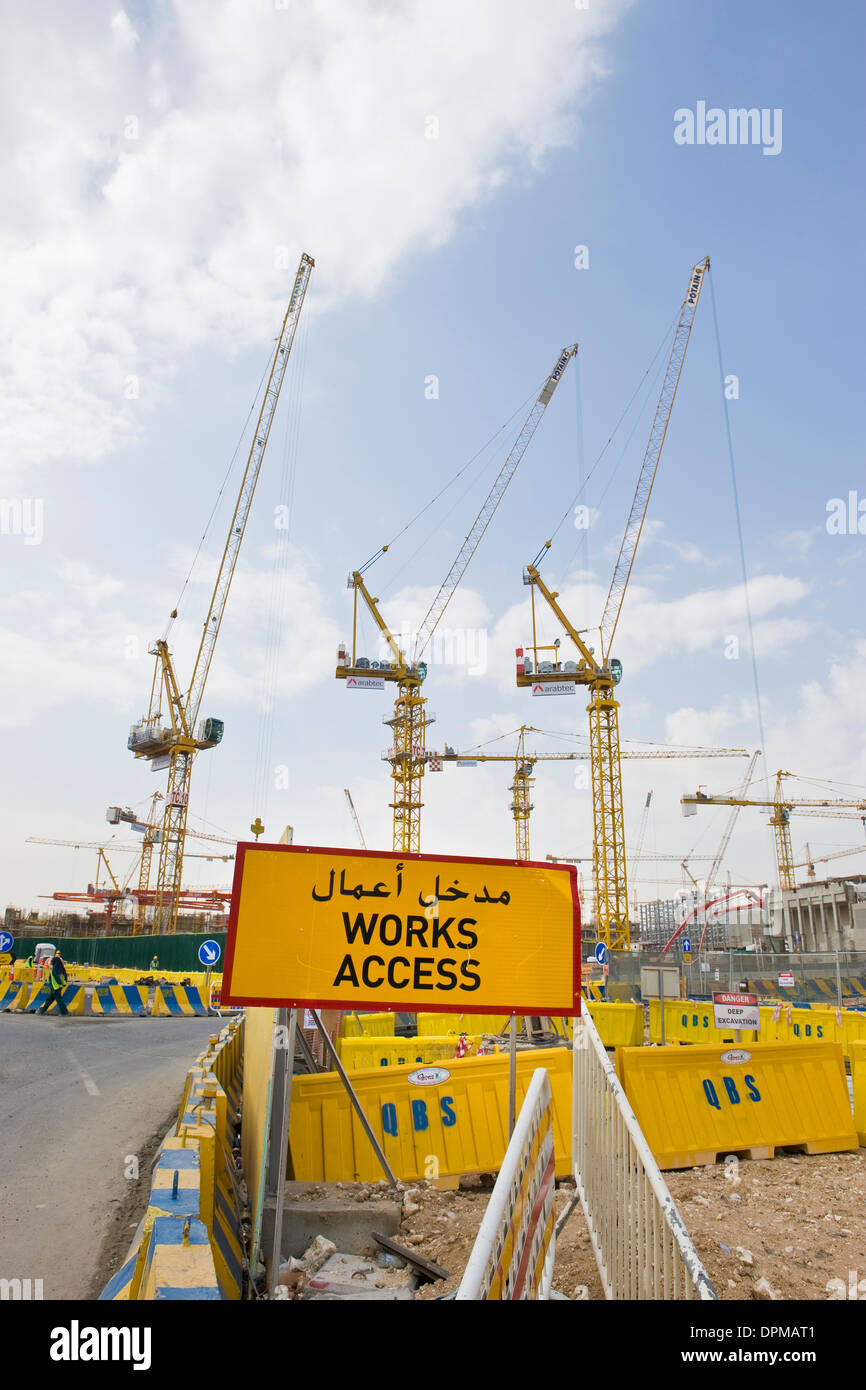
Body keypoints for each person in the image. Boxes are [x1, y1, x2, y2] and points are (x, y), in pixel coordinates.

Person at [38, 951, 68, 1016]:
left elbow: (56, 978)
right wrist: (63, 983)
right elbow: (65, 977)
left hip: (55, 987)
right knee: (49, 1000)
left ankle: (65, 1012)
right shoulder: (61, 969)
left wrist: (59, 983)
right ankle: (42, 1011)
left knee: (59, 1001)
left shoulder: (54, 969)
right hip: (58, 987)